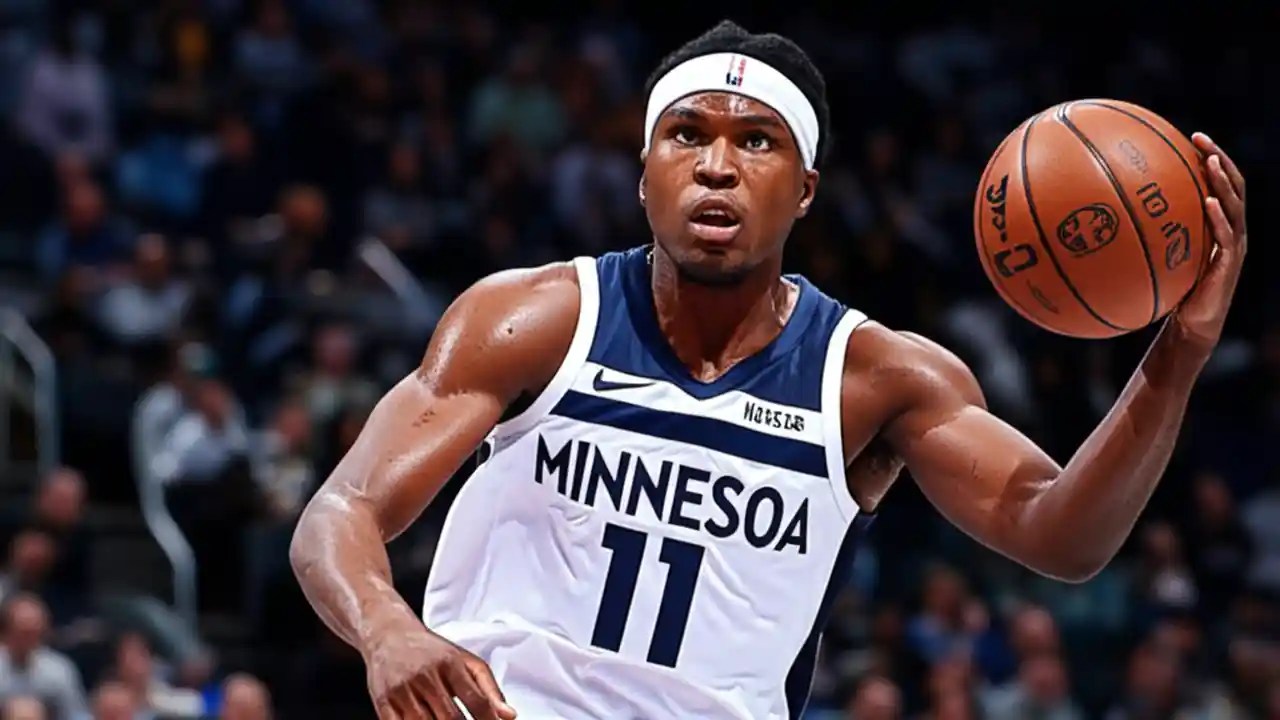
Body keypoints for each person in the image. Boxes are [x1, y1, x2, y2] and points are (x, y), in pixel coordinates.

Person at [289, 19, 1248, 720]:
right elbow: (340, 512)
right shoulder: (535, 319)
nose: (717, 165)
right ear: (644, 173)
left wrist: (1179, 354)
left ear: (806, 189)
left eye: (756, 141)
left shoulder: (876, 377)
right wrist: (386, 627)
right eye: (687, 135)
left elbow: (1062, 537)